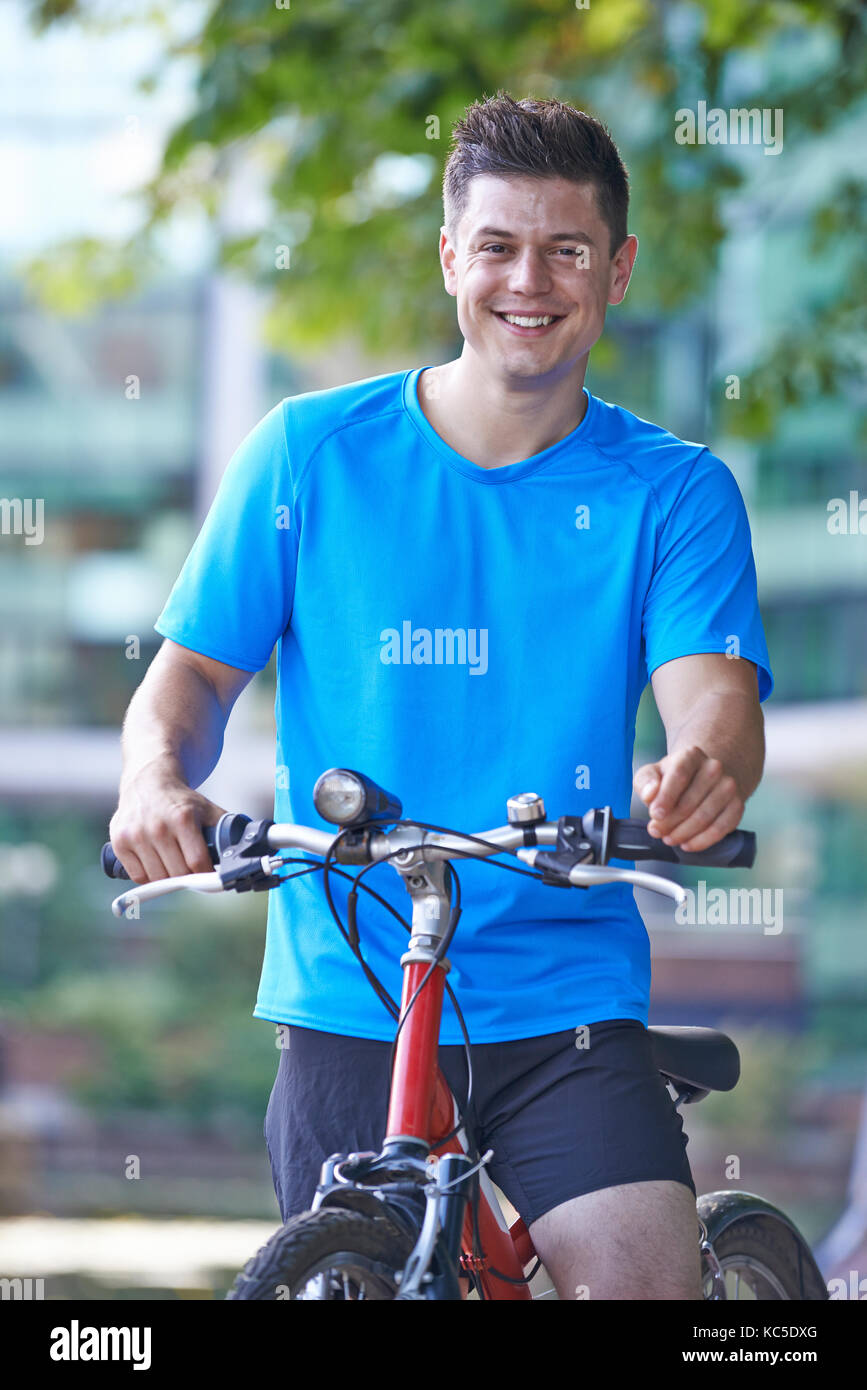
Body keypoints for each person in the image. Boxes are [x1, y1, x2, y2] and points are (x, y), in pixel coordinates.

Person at [109, 93, 772, 1300]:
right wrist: (156, 776)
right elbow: (192, 677)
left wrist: (699, 769)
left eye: (568, 249)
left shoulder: (672, 493)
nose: (533, 279)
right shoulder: (308, 453)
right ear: (451, 259)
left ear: (617, 271)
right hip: (348, 997)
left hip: (564, 1002)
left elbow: (713, 701)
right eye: (502, 246)